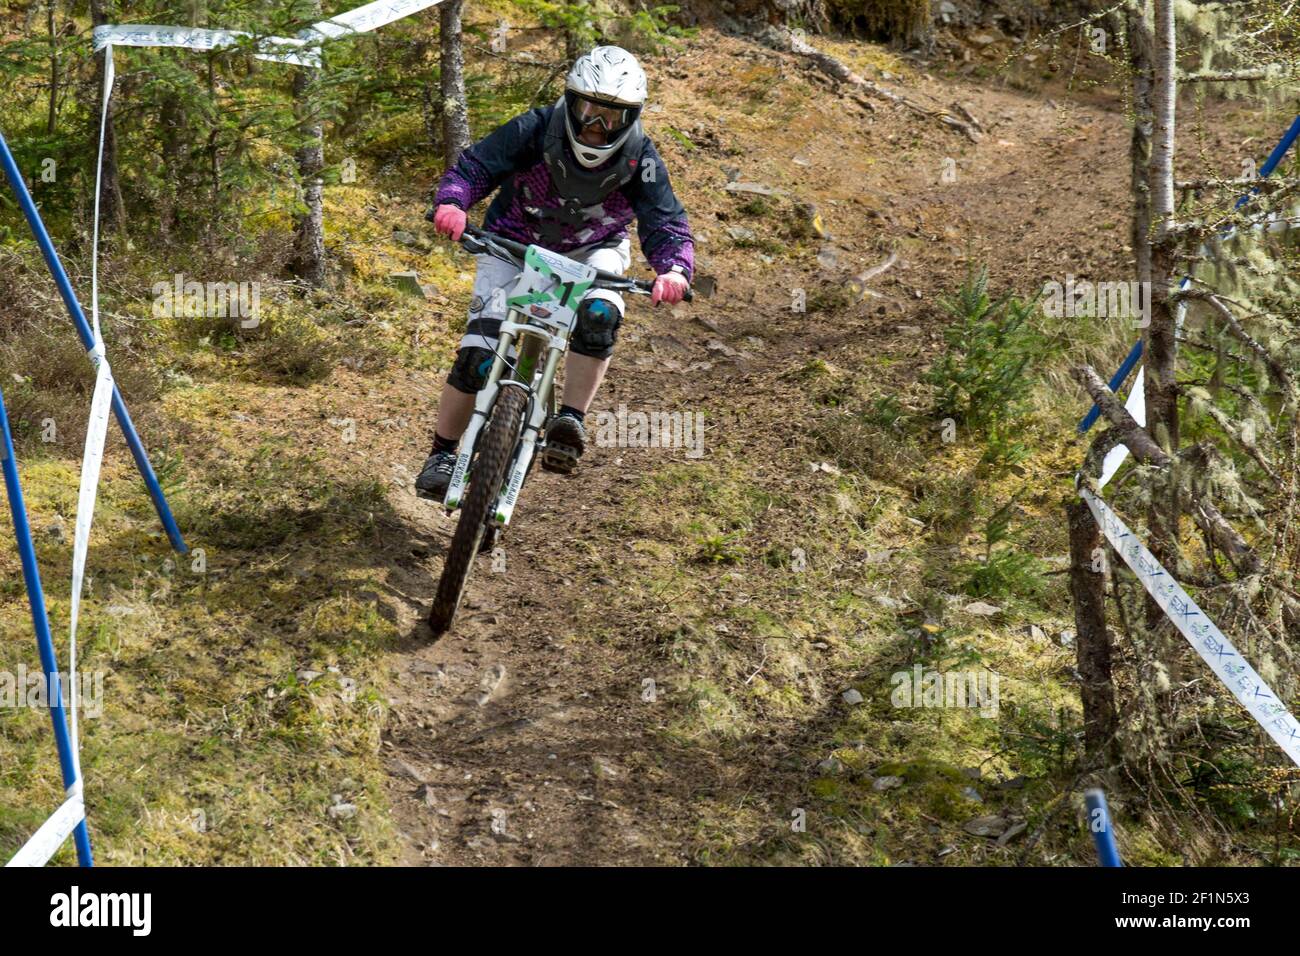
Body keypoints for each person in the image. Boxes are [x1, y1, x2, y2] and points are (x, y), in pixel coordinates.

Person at [416, 45, 694, 500]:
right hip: (511, 244)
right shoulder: (534, 128)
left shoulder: (641, 157)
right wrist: (452, 202)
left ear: (632, 118)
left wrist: (675, 270)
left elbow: (665, 221)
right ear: (570, 100)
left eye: (612, 117)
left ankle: (571, 420)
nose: (596, 125)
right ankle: (442, 454)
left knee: (600, 316)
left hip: (593, 250)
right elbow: (475, 167)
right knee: (477, 360)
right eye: (588, 109)